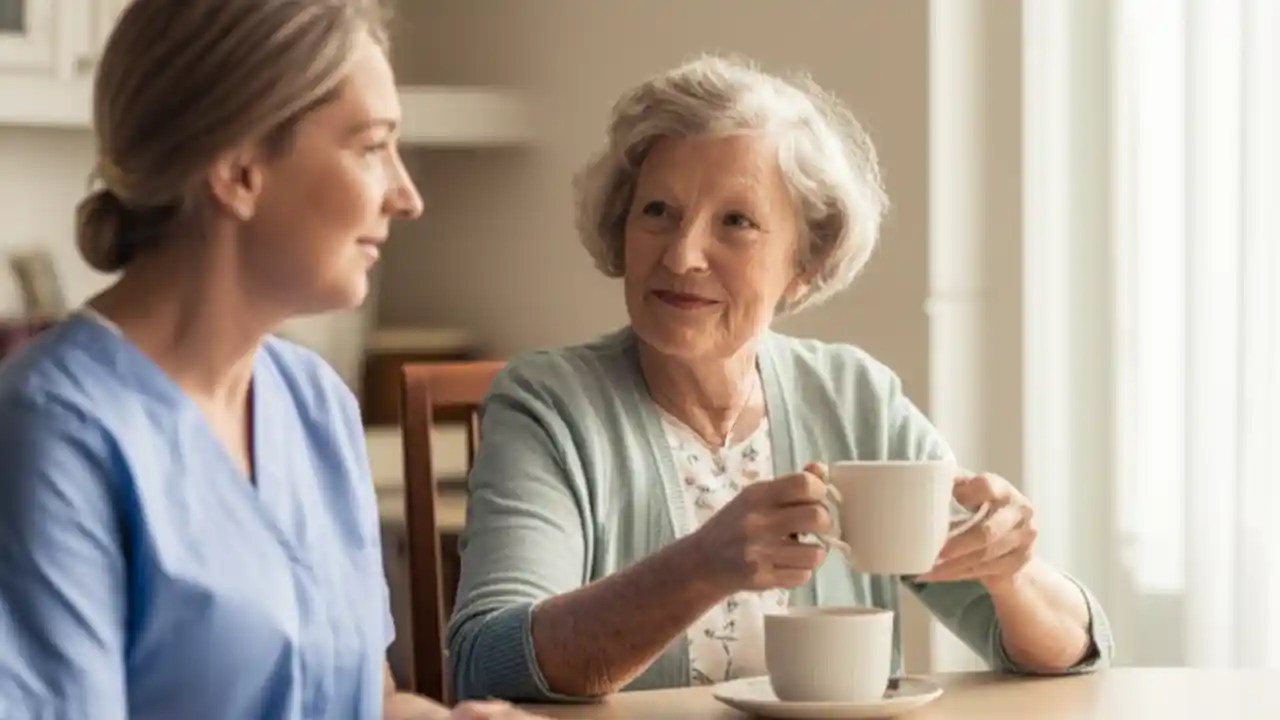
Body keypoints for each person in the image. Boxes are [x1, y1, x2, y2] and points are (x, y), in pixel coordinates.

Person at [447, 55, 1114, 702]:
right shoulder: (549, 406)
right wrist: (702, 565)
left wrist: (1012, 571)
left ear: (806, 264)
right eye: (657, 213)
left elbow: (1063, 652)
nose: (681, 255)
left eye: (734, 223)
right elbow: (486, 666)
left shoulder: (854, 398)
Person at [0, 2, 538, 719]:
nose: (406, 197)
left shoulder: (315, 403)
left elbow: (362, 700)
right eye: (372, 147)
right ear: (238, 167)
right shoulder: (52, 432)